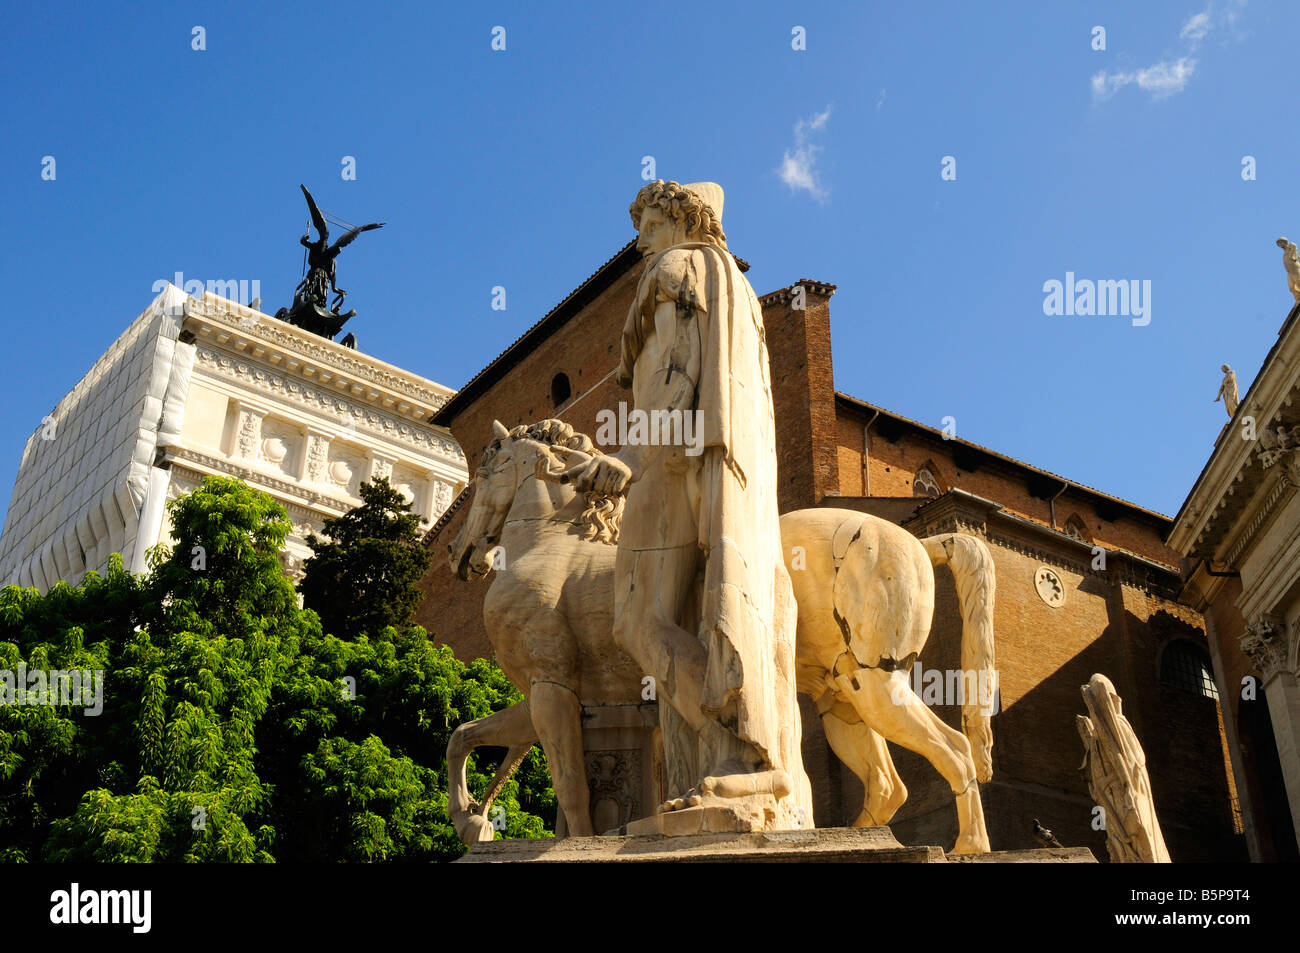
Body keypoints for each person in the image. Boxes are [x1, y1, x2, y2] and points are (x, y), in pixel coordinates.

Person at [575, 181, 812, 826]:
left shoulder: (677, 268)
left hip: (668, 461)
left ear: (682, 217)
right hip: (714, 469)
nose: (641, 237)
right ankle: (737, 747)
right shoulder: (735, 287)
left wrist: (622, 460)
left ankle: (734, 738)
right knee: (689, 608)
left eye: (649, 220)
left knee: (633, 616)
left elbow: (673, 375)